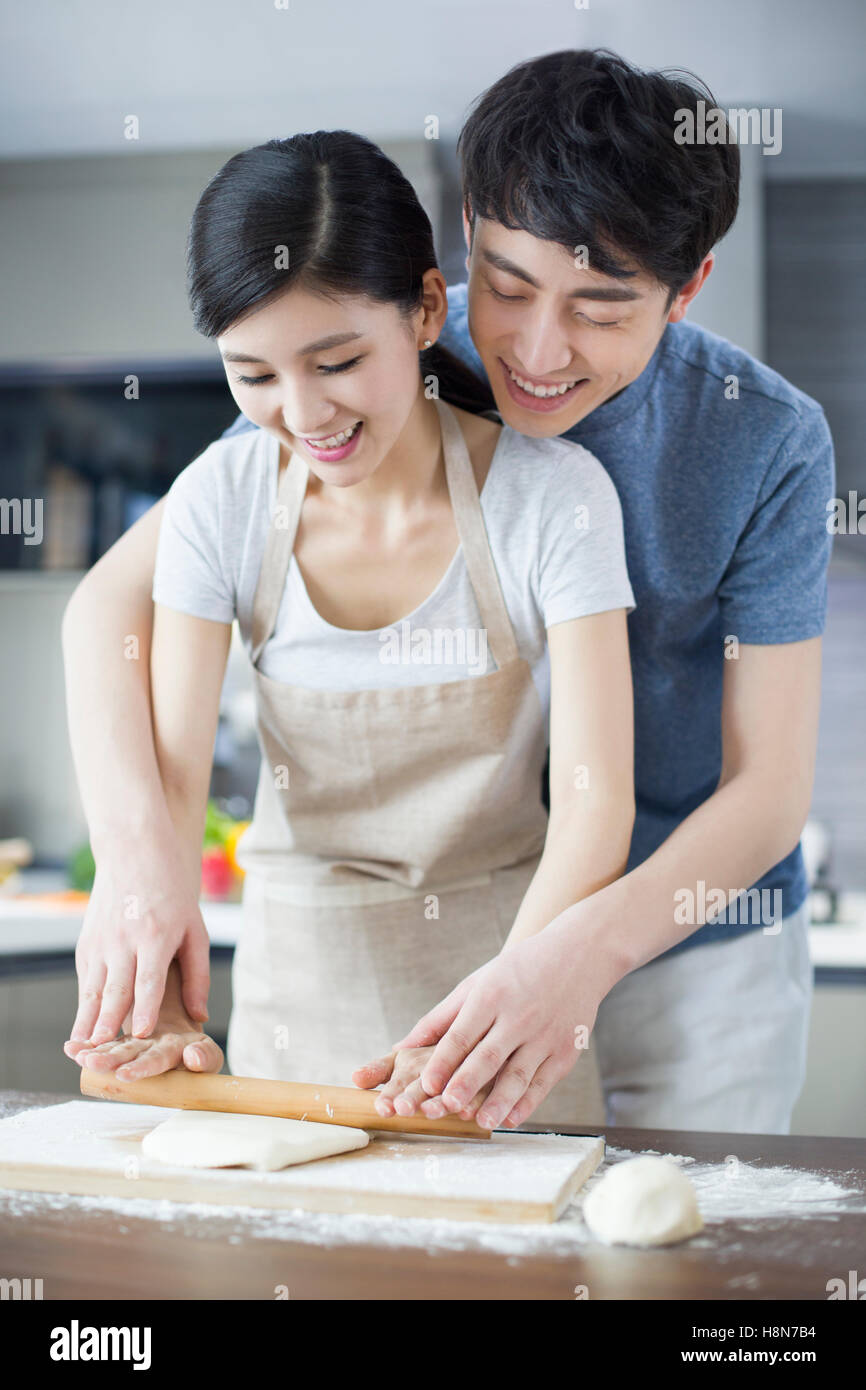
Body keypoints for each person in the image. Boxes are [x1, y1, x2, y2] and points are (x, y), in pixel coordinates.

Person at [64, 48, 834, 1136]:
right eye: (508, 284)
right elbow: (110, 606)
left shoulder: (765, 438)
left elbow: (765, 794)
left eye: (600, 308)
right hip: (485, 929)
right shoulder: (368, 353)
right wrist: (146, 868)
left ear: (687, 282)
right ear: (465, 238)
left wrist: (571, 956)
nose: (532, 346)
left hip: (692, 943)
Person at [62, 127, 635, 1129]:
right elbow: (175, 782)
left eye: (334, 361)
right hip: (296, 1009)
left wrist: (508, 1007)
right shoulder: (223, 502)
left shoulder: (555, 500)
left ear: (422, 310)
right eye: (253, 375)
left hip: (508, 996)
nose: (300, 412)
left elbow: (594, 811)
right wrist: (148, 989)